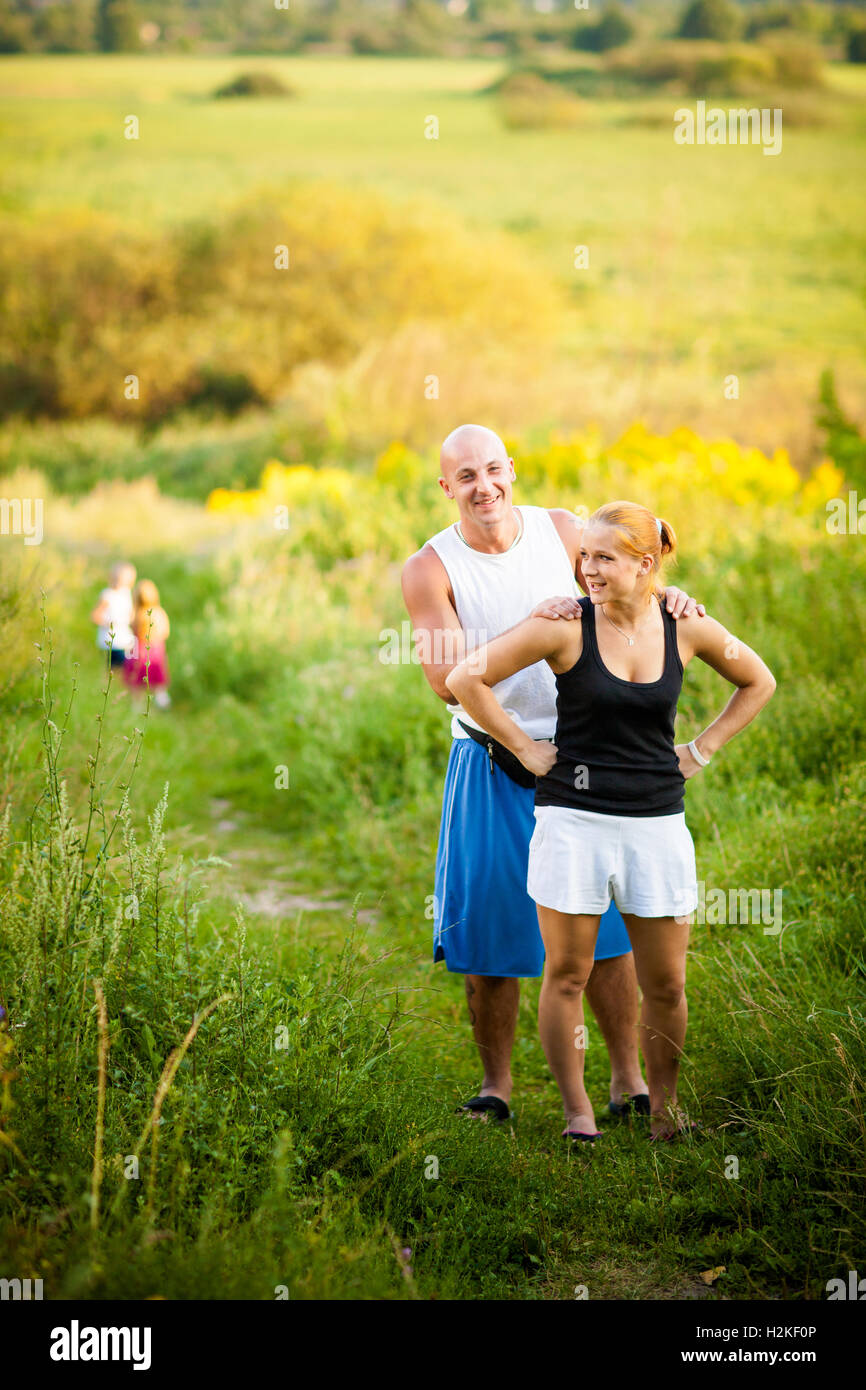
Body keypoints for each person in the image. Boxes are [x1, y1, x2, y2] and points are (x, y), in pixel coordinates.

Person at [401, 425, 705, 1126]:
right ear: (447, 488)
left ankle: (628, 1081)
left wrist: (673, 596)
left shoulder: (562, 529)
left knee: (607, 934)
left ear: (513, 469)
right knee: (489, 926)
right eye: (466, 477)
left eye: (493, 470)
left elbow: (625, 583)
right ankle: (497, 1085)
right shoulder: (430, 568)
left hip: (587, 760)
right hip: (493, 758)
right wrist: (534, 630)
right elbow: (447, 680)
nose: (485, 488)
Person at [446, 500, 776, 1141]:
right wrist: (522, 745)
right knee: (565, 974)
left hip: (656, 825)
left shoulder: (686, 624)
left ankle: (666, 1111)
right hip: (573, 821)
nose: (587, 571)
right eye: (583, 557)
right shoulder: (566, 625)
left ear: (646, 565)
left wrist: (701, 750)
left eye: (604, 558)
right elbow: (467, 677)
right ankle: (578, 1116)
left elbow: (757, 681)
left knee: (667, 984)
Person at [124, 580, 171, 709]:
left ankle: (137, 706)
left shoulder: (135, 614)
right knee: (157, 681)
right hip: (155, 651)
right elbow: (165, 632)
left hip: (138, 651)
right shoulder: (159, 613)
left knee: (136, 682)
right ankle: (163, 703)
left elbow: (132, 630)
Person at [90, 562, 136, 670]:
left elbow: (130, 614)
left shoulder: (127, 593)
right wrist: (110, 623)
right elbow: (95, 616)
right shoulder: (108, 595)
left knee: (126, 671)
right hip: (110, 641)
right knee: (111, 671)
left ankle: (121, 687)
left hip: (125, 640)